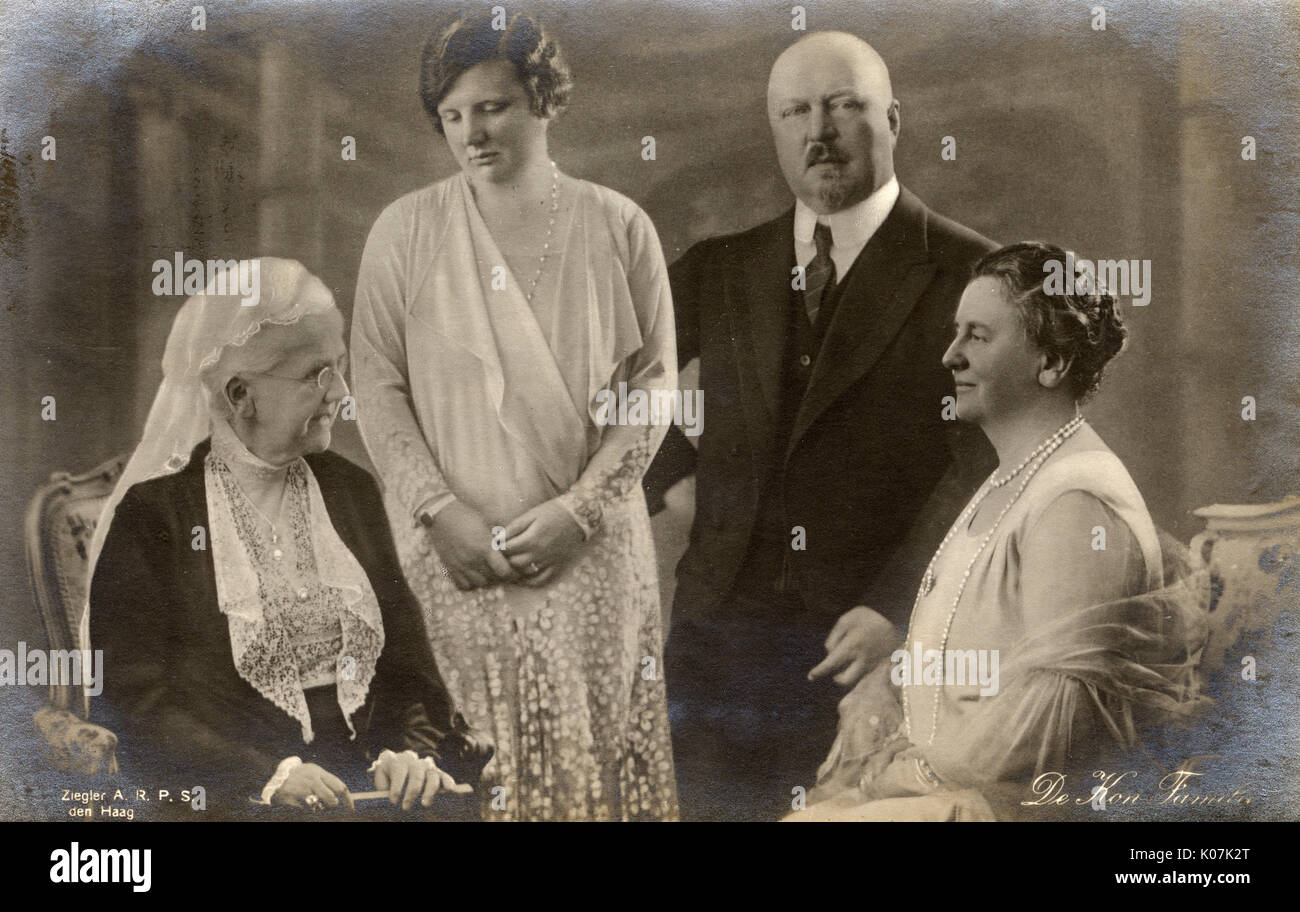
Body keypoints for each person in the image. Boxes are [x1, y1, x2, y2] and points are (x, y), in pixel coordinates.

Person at [652, 30, 998, 820]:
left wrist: (898, 607)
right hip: (716, 641)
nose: (819, 133)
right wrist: (674, 483)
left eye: (844, 107)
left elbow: (986, 461)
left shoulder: (973, 271)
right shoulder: (719, 266)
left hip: (867, 646)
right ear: (775, 128)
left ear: (893, 120)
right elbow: (616, 386)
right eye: (795, 112)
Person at [351, 10, 678, 821]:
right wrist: (437, 511)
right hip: (454, 550)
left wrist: (582, 510)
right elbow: (377, 385)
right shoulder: (404, 231)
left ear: (543, 100)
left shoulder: (618, 224)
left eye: (492, 108)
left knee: (592, 781)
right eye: (453, 116)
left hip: (589, 550)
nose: (472, 134)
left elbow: (655, 385)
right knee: (475, 776)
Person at [787, 242, 1209, 821]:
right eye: (956, 333)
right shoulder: (1014, 478)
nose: (950, 356)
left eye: (978, 337)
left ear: (1051, 362)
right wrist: (892, 679)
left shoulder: (1076, 504)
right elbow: (978, 652)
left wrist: (902, 774)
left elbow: (1045, 730)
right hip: (957, 788)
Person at [88, 258, 489, 818]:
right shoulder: (156, 516)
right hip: (238, 798)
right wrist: (268, 776)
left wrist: (409, 754)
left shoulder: (351, 492)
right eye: (316, 375)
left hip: (370, 794)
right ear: (239, 394)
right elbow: (134, 707)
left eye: (341, 369)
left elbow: (409, 669)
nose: (340, 393)